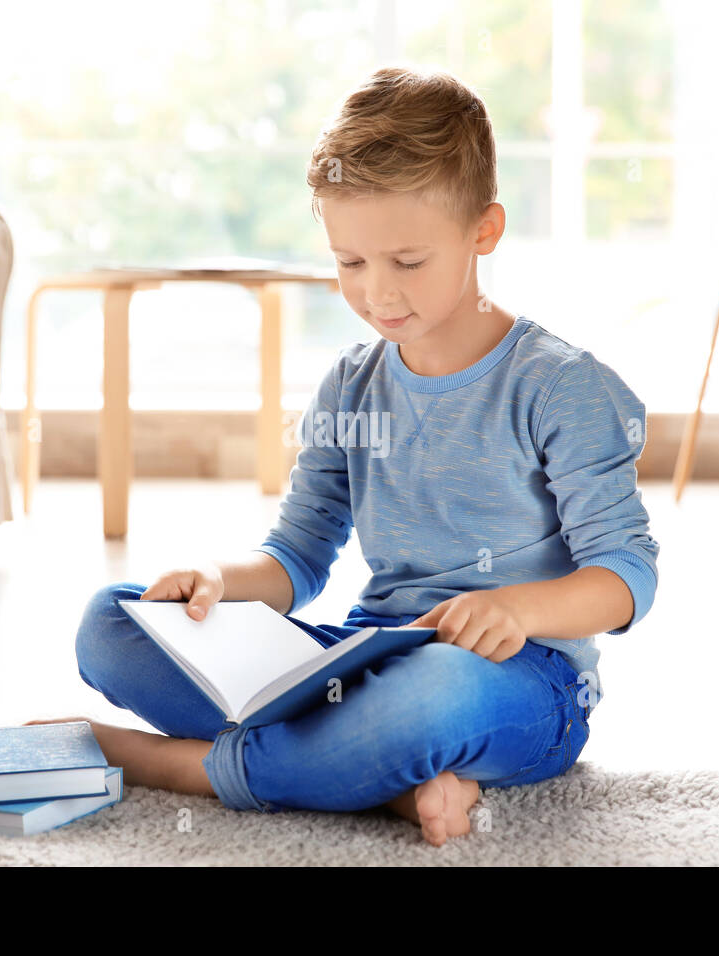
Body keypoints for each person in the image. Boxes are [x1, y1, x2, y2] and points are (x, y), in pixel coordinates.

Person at [33, 65, 660, 847]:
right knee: (111, 624)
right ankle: (380, 783)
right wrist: (221, 585)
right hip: (359, 660)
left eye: (407, 261)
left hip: (520, 682)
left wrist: (516, 609)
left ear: (483, 232)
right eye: (349, 263)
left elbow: (629, 576)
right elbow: (297, 560)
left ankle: (182, 767)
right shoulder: (350, 385)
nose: (377, 294)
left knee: (429, 698)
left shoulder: (562, 387)